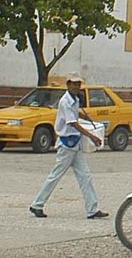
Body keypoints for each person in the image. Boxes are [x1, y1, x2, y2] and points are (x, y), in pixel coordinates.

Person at [29, 75, 106, 219]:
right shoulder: (65, 101)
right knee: (55, 176)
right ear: (68, 85)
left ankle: (92, 209)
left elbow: (74, 115)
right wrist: (91, 136)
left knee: (85, 176)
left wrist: (83, 116)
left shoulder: (74, 99)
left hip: (75, 143)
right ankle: (37, 204)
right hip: (67, 144)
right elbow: (72, 123)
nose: (77, 87)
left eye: (78, 84)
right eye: (74, 84)